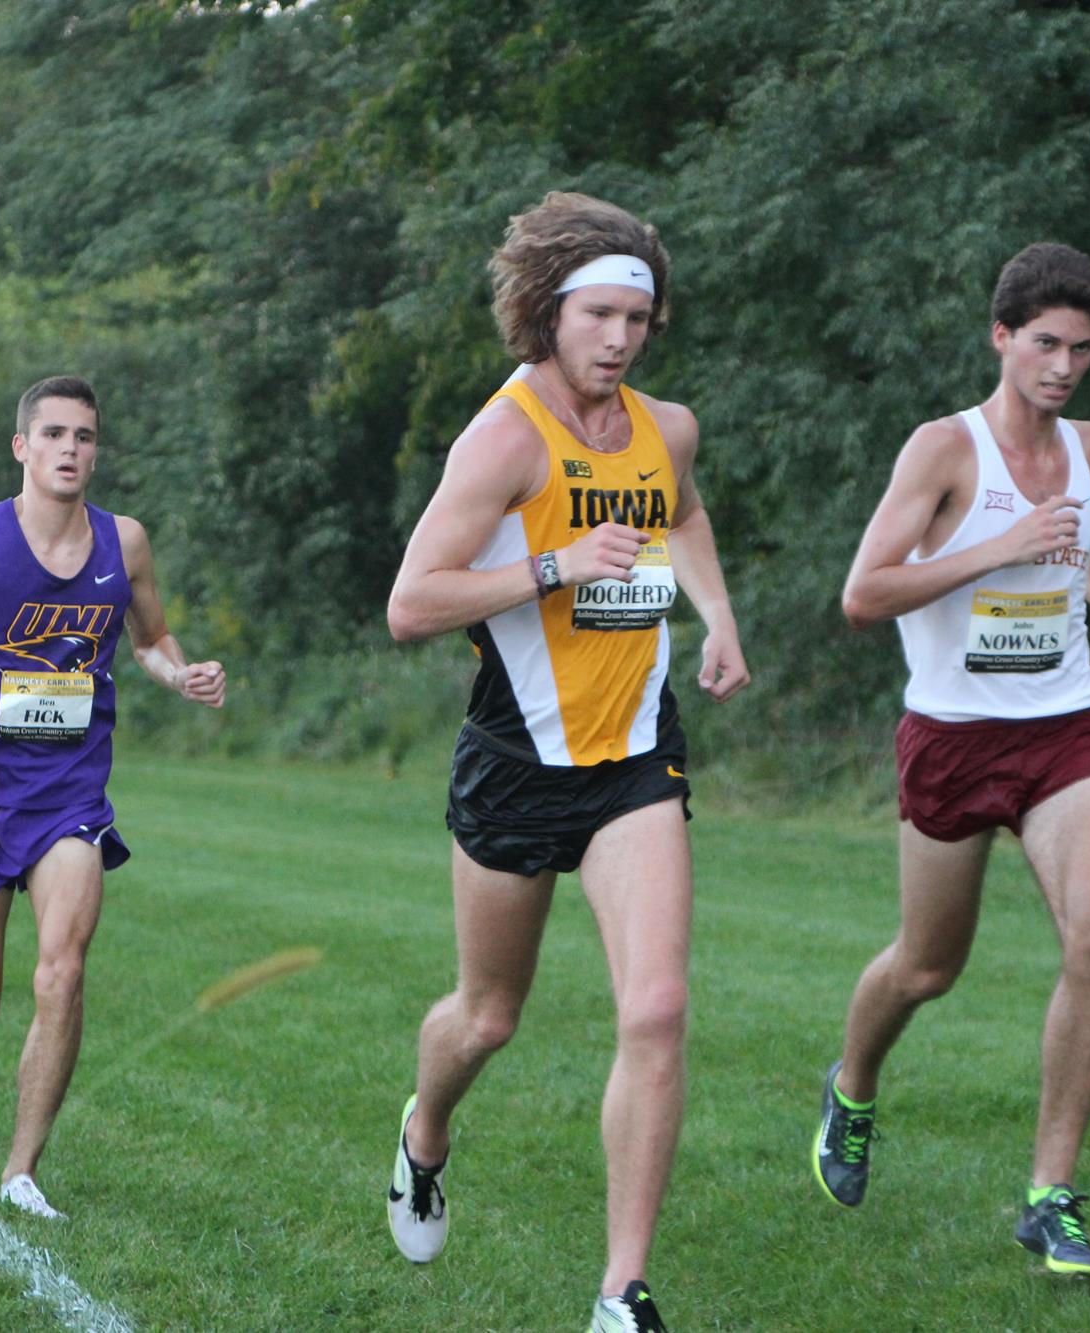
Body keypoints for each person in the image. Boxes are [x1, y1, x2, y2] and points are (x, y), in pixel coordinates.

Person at [383, 192, 750, 1333]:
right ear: (548, 313)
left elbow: (679, 512)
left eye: (636, 320)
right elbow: (409, 605)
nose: (618, 339)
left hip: (635, 760)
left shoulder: (665, 427)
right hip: (514, 763)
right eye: (598, 315)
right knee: (486, 1016)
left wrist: (717, 613)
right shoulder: (501, 437)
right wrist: (553, 567)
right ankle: (423, 1133)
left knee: (655, 1007)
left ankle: (618, 1293)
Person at [811, 243, 1090, 1279]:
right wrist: (994, 549)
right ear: (1001, 337)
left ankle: (1048, 1197)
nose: (1062, 365)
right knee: (928, 964)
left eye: (1082, 348)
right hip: (952, 735)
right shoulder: (942, 452)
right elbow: (863, 593)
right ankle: (853, 1085)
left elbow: (1070, 538)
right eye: (1044, 342)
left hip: (1062, 726)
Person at [0, 375, 226, 1220]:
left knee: (63, 969)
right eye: (57, 434)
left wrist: (180, 672)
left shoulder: (125, 542)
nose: (73, 449)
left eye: (86, 436)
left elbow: (149, 637)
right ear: (22, 447)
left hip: (68, 792)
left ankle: (20, 1170)